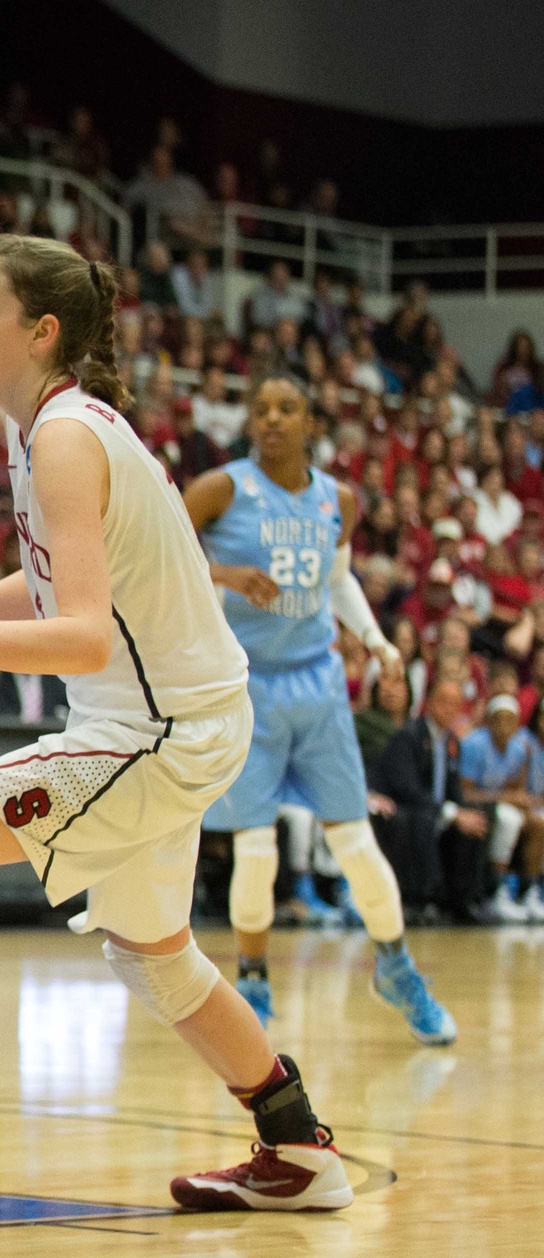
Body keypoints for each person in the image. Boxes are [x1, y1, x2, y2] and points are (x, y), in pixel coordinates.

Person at [0, 236, 353, 1236]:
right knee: (154, 955)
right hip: (182, 716)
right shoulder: (48, 427)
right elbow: (56, 586)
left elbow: (83, 632)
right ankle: (298, 1145)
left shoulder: (62, 436)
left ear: (41, 331)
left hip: (158, 729)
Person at [183, 372, 453, 1043]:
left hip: (320, 681)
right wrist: (224, 574)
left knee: (357, 844)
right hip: (248, 683)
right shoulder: (223, 488)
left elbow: (337, 580)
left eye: (287, 408)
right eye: (260, 408)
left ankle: (395, 967)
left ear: (311, 420)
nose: (271, 418)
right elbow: (159, 554)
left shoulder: (341, 499)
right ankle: (252, 980)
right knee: (256, 847)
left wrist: (378, 639)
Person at [370, 677, 491, 922]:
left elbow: (454, 789)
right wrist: (452, 813)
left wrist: (461, 811)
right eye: (444, 702)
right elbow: (407, 789)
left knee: (478, 816)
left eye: (456, 704)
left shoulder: (452, 741)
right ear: (430, 703)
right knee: (422, 819)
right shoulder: (408, 735)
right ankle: (422, 899)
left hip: (433, 808)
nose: (450, 709)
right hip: (400, 807)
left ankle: (466, 899)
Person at [458, 695, 544, 924]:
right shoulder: (474, 744)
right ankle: (496, 892)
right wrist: (506, 798)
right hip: (473, 806)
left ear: (518, 724)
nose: (504, 726)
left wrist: (522, 804)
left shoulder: (518, 749)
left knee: (537, 823)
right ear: (489, 721)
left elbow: (513, 789)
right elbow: (464, 792)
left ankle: (528, 892)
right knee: (509, 821)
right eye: (499, 719)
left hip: (498, 805)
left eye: (510, 720)